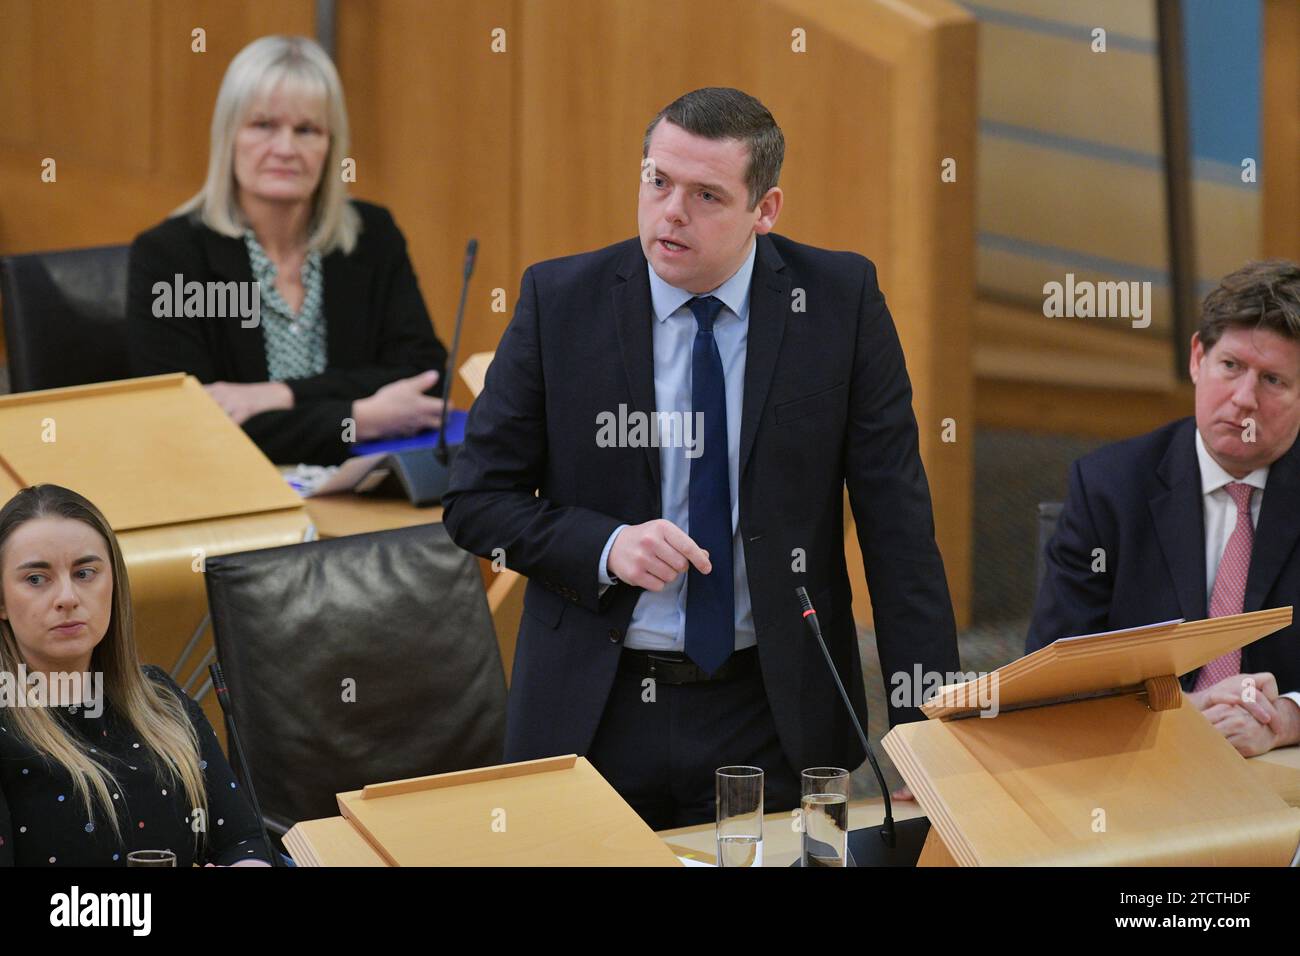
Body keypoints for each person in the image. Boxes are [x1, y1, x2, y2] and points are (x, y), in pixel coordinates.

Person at [443, 87, 960, 829]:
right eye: (657, 181)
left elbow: (899, 529)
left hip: (770, 708)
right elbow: (473, 503)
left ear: (766, 209)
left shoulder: (840, 304)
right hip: (598, 703)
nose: (671, 212)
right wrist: (608, 545)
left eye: (706, 194)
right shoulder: (560, 303)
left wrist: (922, 730)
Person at [127, 35, 448, 466]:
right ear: (229, 137)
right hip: (231, 490)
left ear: (331, 145)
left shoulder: (372, 235)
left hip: (364, 490)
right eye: (263, 125)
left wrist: (280, 394)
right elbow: (190, 421)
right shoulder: (172, 257)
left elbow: (423, 378)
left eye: (307, 130)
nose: (285, 149)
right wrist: (357, 418)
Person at [1028, 260, 1300, 756]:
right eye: (1231, 366)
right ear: (1198, 357)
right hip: (1138, 763)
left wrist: (1286, 716)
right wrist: (1179, 708)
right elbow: (1051, 678)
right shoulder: (1110, 487)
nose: (1244, 399)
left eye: (1274, 381)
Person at [0, 484, 272, 866]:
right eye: (35, 579)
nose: (67, 597)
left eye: (85, 573)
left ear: (114, 583)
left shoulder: (160, 697)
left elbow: (243, 840)